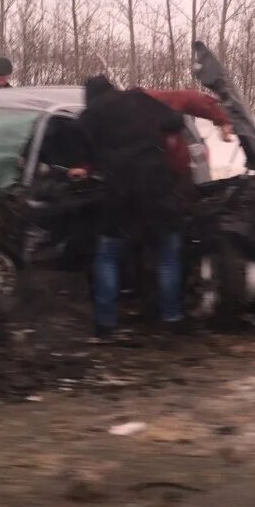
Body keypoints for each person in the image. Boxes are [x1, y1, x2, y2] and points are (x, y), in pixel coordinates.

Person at [69, 76, 188, 341]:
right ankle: (172, 318)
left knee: (108, 255)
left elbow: (78, 161)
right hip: (159, 189)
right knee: (168, 254)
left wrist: (82, 168)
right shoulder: (138, 99)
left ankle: (106, 324)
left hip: (121, 193)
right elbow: (176, 121)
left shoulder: (89, 117)